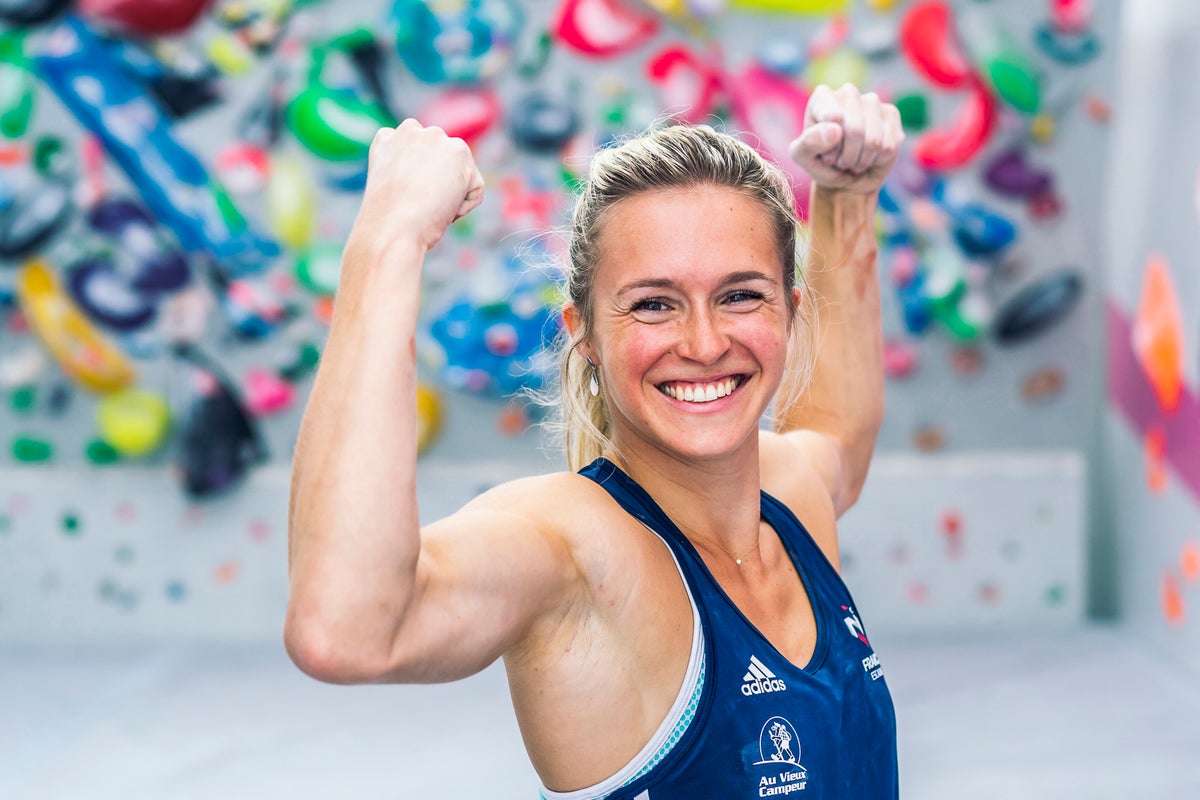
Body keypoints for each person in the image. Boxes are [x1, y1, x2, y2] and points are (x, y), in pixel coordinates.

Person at [285, 82, 903, 799]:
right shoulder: (573, 549)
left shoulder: (788, 493)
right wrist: (387, 239)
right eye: (653, 304)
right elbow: (344, 631)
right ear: (586, 336)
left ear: (791, 314)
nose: (704, 343)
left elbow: (841, 433)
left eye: (740, 295)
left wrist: (849, 197)